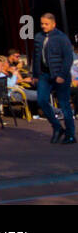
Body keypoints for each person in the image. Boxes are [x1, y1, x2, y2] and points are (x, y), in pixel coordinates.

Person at [33, 12, 75, 144]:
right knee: (41, 100)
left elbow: (68, 57)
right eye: (42, 23)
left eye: (46, 24)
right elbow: (36, 57)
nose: (43, 26)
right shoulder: (38, 37)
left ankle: (70, 135)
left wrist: (62, 75)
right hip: (44, 75)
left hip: (59, 74)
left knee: (64, 105)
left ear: (53, 24)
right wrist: (35, 74)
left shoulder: (61, 37)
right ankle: (57, 127)